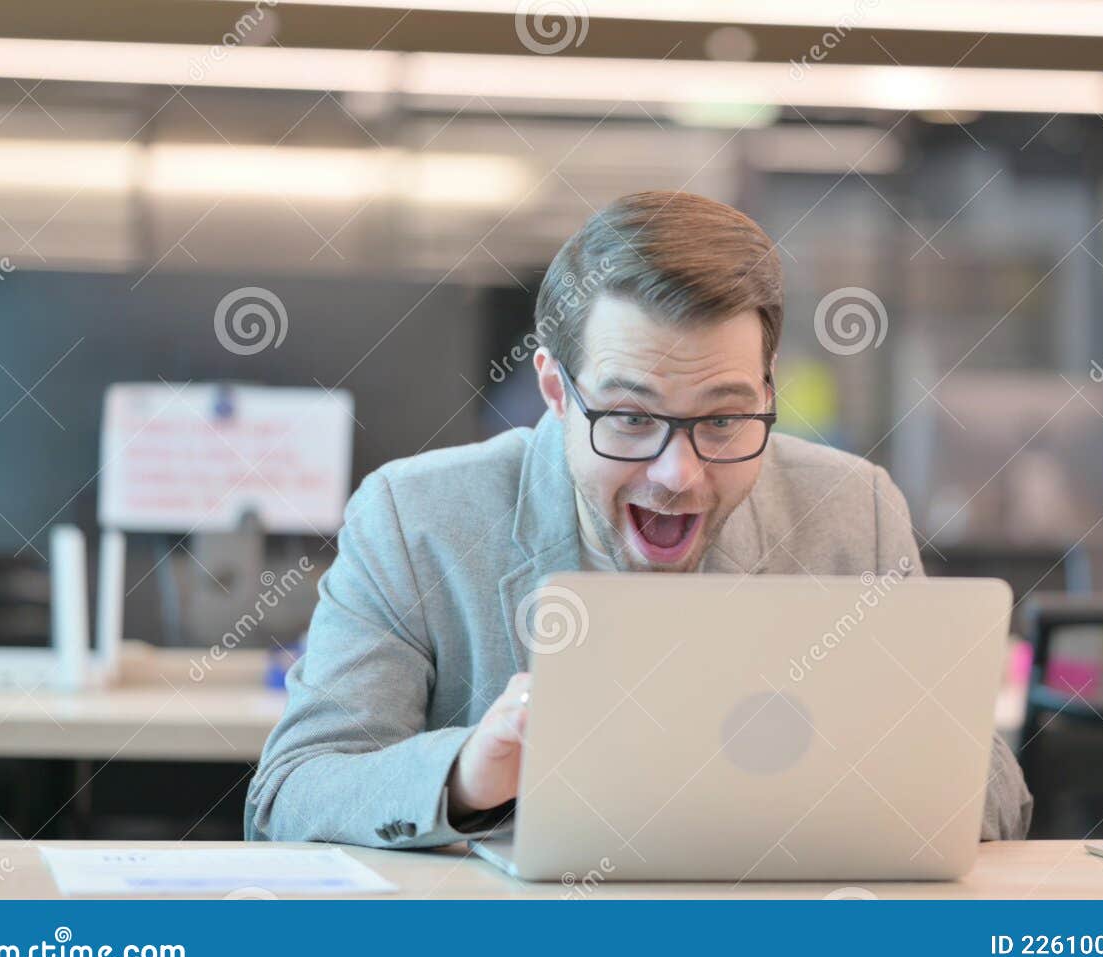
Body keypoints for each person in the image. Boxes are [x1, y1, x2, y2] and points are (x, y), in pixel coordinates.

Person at [247, 190, 1032, 847]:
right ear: (556, 392)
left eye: (724, 420)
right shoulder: (416, 518)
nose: (677, 475)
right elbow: (288, 797)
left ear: (767, 393)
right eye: (629, 418)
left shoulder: (850, 511)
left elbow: (1000, 796)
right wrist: (467, 776)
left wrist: (899, 766)